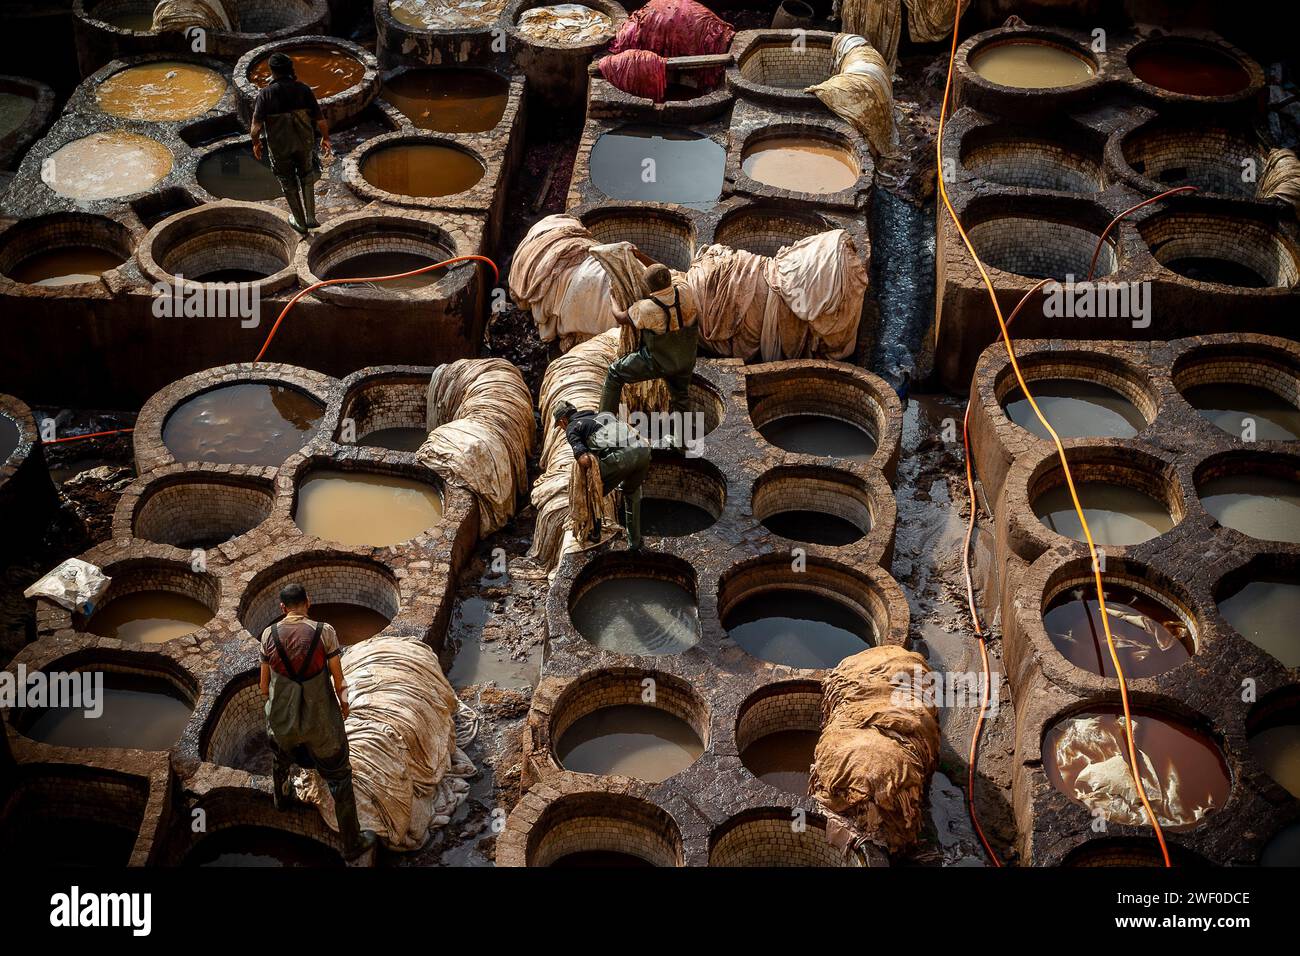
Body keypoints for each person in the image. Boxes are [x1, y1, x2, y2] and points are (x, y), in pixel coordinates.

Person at [259, 582, 376, 860]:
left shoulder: (268, 635)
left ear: (282, 608)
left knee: (280, 759)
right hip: (320, 723)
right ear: (308, 602)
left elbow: (264, 687)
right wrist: (345, 705)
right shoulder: (325, 632)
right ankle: (352, 844)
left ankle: (281, 800)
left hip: (283, 722)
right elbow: (339, 680)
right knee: (340, 779)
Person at [600, 263, 701, 452]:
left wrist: (613, 298)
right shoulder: (685, 290)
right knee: (681, 397)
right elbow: (665, 271)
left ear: (649, 288)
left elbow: (621, 318)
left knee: (614, 373)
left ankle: (604, 429)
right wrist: (640, 256)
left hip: (658, 361)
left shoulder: (646, 308)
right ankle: (682, 443)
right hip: (686, 358)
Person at [249, 52, 331, 235]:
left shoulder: (266, 94)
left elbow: (255, 127)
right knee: (307, 175)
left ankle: (300, 222)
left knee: (287, 181)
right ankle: (311, 217)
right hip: (304, 143)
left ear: (273, 71)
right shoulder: (303, 89)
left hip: (280, 147)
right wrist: (326, 138)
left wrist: (256, 143)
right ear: (290, 69)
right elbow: (321, 120)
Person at [554, 400, 650, 550]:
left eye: (560, 426)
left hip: (622, 458)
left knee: (591, 490)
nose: (561, 428)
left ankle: (594, 533)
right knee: (631, 492)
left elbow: (584, 460)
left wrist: (584, 459)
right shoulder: (601, 415)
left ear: (563, 421)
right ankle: (634, 542)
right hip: (644, 450)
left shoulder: (572, 427)